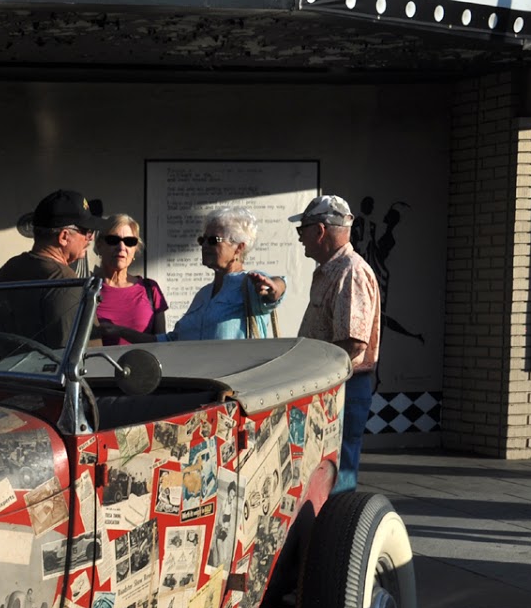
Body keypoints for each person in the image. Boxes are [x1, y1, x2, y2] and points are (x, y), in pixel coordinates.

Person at [291, 193, 382, 494]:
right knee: (324, 468)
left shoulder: (350, 272)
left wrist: (314, 378)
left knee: (337, 471)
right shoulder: (334, 270)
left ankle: (336, 534)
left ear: (319, 231)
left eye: (301, 230)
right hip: (332, 386)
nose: (300, 238)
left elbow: (352, 343)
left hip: (342, 387)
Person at [112, 207, 286, 344]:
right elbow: (172, 341)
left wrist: (274, 288)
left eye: (213, 241)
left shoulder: (250, 283)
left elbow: (276, 287)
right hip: (205, 386)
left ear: (239, 248)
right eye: (202, 240)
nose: (205, 246)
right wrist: (120, 331)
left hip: (239, 387)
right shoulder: (203, 295)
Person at [0, 189, 97, 357]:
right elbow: (72, 356)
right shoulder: (64, 281)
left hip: (11, 377)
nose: (90, 238)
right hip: (51, 381)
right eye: (86, 231)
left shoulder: (8, 270)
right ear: (64, 237)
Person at [90, 213, 167, 347]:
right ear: (99, 245)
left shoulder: (150, 289)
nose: (121, 247)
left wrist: (122, 332)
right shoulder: (86, 289)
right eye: (113, 240)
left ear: (135, 250)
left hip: (142, 366)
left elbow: (161, 344)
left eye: (129, 242)